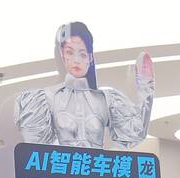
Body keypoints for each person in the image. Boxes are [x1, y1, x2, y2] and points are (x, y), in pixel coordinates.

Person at [15, 21, 153, 149]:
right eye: (70, 52)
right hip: (60, 171)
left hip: (96, 171)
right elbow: (36, 149)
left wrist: (147, 89)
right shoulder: (44, 99)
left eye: (82, 54)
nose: (76, 60)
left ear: (90, 57)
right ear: (62, 55)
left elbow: (135, 134)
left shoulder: (107, 99)